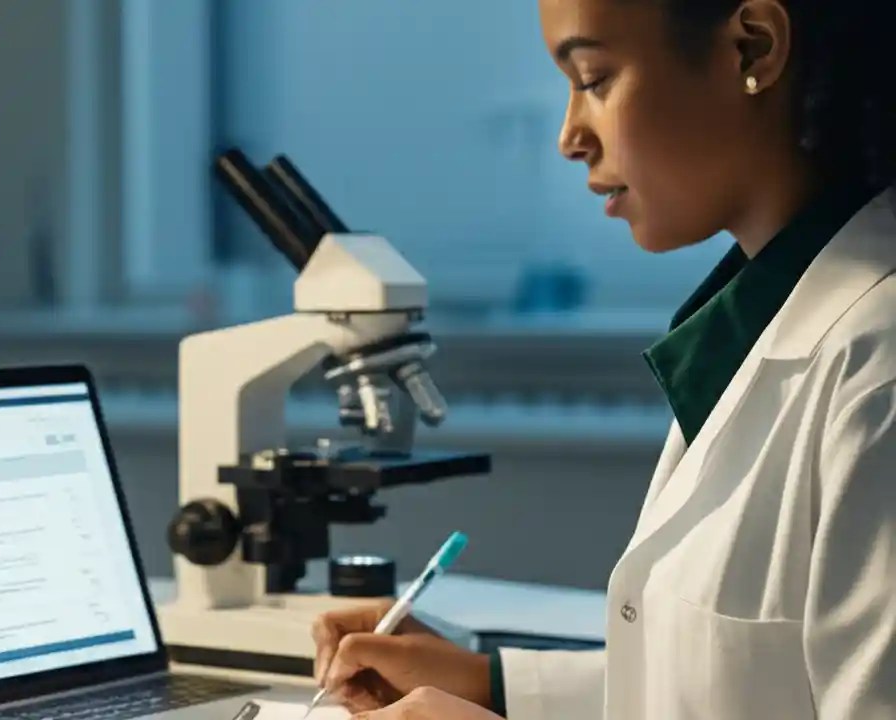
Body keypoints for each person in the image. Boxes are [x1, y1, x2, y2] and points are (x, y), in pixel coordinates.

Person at [311, 0, 896, 718]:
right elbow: (735, 688)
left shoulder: (878, 366)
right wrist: (490, 686)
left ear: (751, 49)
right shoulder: (765, 317)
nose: (568, 137)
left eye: (594, 78)